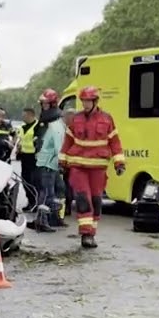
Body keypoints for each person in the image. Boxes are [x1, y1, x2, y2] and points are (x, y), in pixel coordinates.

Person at [60, 87, 124, 249]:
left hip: (98, 168)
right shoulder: (76, 119)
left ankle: (92, 233)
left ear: (95, 101)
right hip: (78, 166)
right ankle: (86, 234)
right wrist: (62, 162)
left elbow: (115, 143)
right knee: (83, 198)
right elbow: (68, 142)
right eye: (83, 101)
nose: (85, 104)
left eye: (88, 101)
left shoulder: (107, 119)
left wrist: (119, 163)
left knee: (96, 200)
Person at [28, 90, 65, 232]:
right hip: (46, 159)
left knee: (46, 191)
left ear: (52, 103)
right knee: (47, 190)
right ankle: (48, 218)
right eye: (42, 103)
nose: (42, 105)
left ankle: (43, 220)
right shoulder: (48, 117)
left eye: (44, 103)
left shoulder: (52, 119)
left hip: (48, 160)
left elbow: (56, 142)